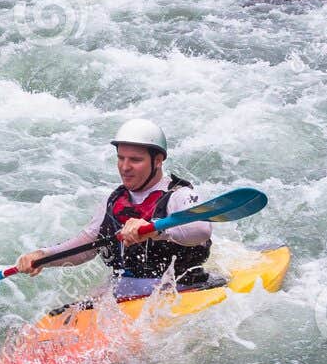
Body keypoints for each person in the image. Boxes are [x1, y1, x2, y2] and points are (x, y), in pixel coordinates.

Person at [15, 119, 212, 298]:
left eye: (135, 160)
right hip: (126, 286)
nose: (125, 167)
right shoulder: (114, 200)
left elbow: (201, 230)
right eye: (121, 158)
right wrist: (43, 256)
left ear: (158, 160)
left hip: (178, 287)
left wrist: (154, 229)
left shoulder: (180, 195)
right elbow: (86, 246)